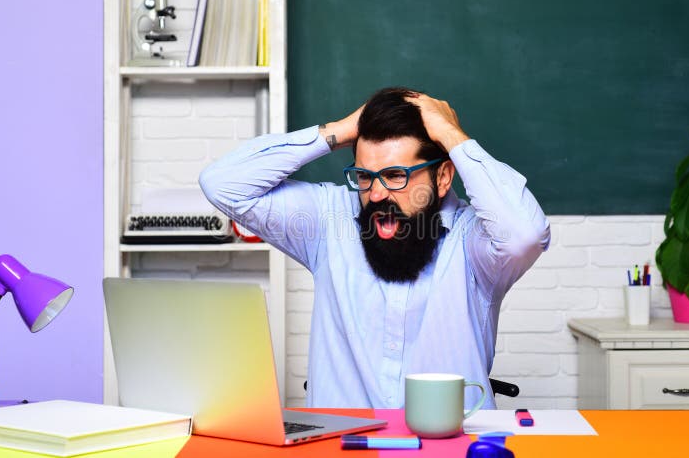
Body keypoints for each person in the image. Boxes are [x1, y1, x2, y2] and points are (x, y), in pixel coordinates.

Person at [199, 87, 550, 409]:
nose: (377, 194)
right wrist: (343, 129)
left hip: (449, 445)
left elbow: (525, 235)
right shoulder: (327, 220)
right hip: (341, 445)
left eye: (396, 176)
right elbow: (222, 184)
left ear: (442, 177)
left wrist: (452, 137)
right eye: (365, 177)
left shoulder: (475, 242)